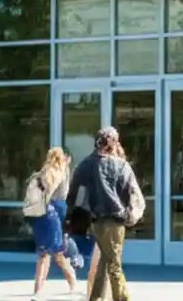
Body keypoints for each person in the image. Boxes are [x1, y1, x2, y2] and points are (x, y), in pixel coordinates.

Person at [67, 126, 142, 301]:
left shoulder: (85, 165)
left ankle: (96, 297)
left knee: (105, 261)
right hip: (115, 222)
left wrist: (71, 217)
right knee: (115, 265)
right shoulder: (122, 165)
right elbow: (133, 193)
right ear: (113, 143)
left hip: (95, 222)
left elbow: (73, 193)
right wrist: (130, 215)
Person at [25, 147, 77, 298]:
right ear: (64, 158)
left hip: (44, 214)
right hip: (49, 214)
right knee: (54, 253)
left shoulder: (49, 171)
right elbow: (59, 195)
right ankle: (68, 282)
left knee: (47, 254)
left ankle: (39, 289)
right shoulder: (56, 172)